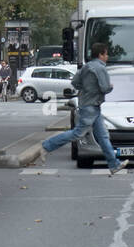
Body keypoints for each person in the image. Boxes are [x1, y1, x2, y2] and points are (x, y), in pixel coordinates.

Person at [39, 42, 128, 175]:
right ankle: (46, 145)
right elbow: (104, 88)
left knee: (103, 136)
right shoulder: (101, 68)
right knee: (77, 133)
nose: (107, 57)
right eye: (106, 54)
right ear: (101, 54)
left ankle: (114, 164)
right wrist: (111, 86)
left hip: (89, 104)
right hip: (92, 105)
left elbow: (75, 82)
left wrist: (86, 89)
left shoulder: (87, 67)